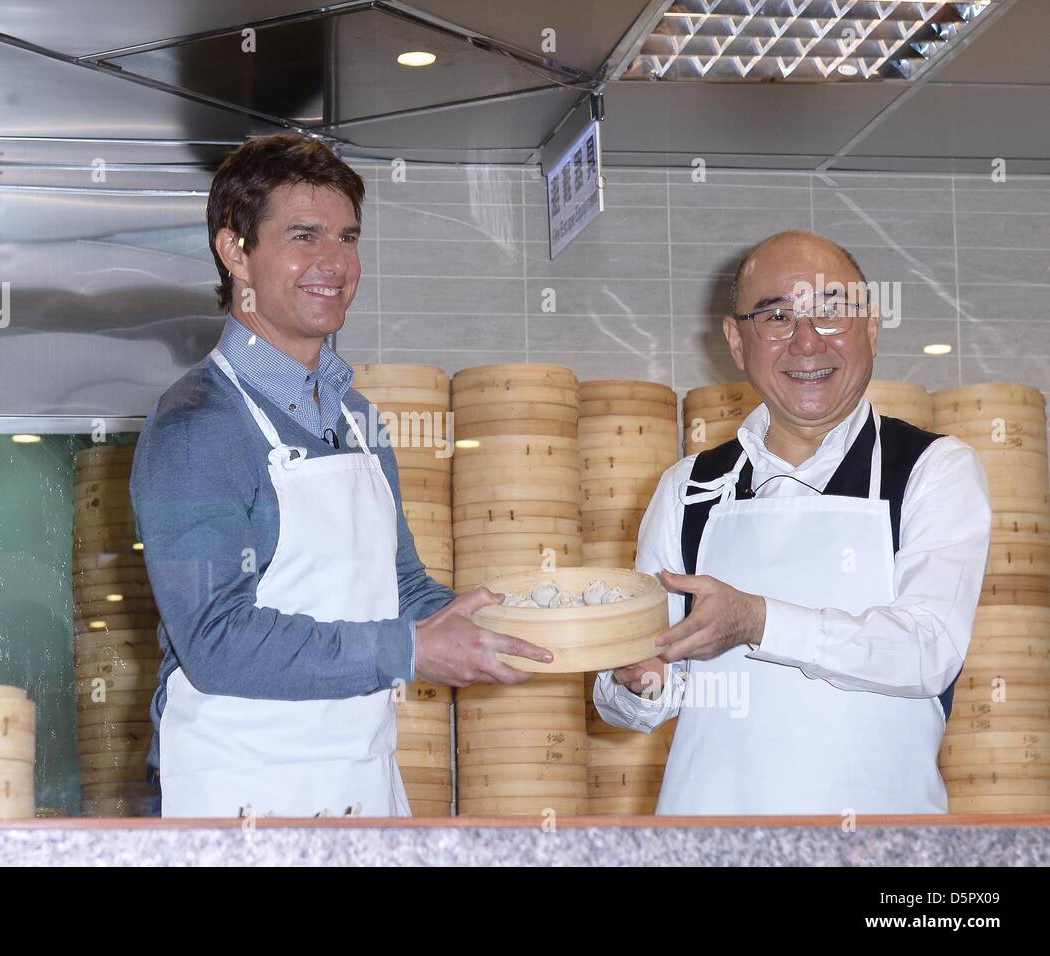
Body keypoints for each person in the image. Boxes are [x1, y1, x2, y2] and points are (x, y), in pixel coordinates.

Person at [132, 133, 551, 818]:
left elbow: (403, 588)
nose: (335, 263)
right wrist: (409, 650)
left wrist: (555, 635)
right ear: (235, 250)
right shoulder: (197, 422)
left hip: (363, 785)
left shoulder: (356, 416)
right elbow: (213, 639)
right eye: (304, 237)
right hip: (239, 801)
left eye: (348, 238)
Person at [594, 230, 990, 814]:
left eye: (831, 313)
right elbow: (649, 693)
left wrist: (758, 622)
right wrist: (633, 677)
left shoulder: (931, 470)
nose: (807, 341)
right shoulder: (690, 487)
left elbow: (927, 651)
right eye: (776, 315)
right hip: (707, 845)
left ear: (872, 326)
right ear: (736, 340)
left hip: (883, 850)